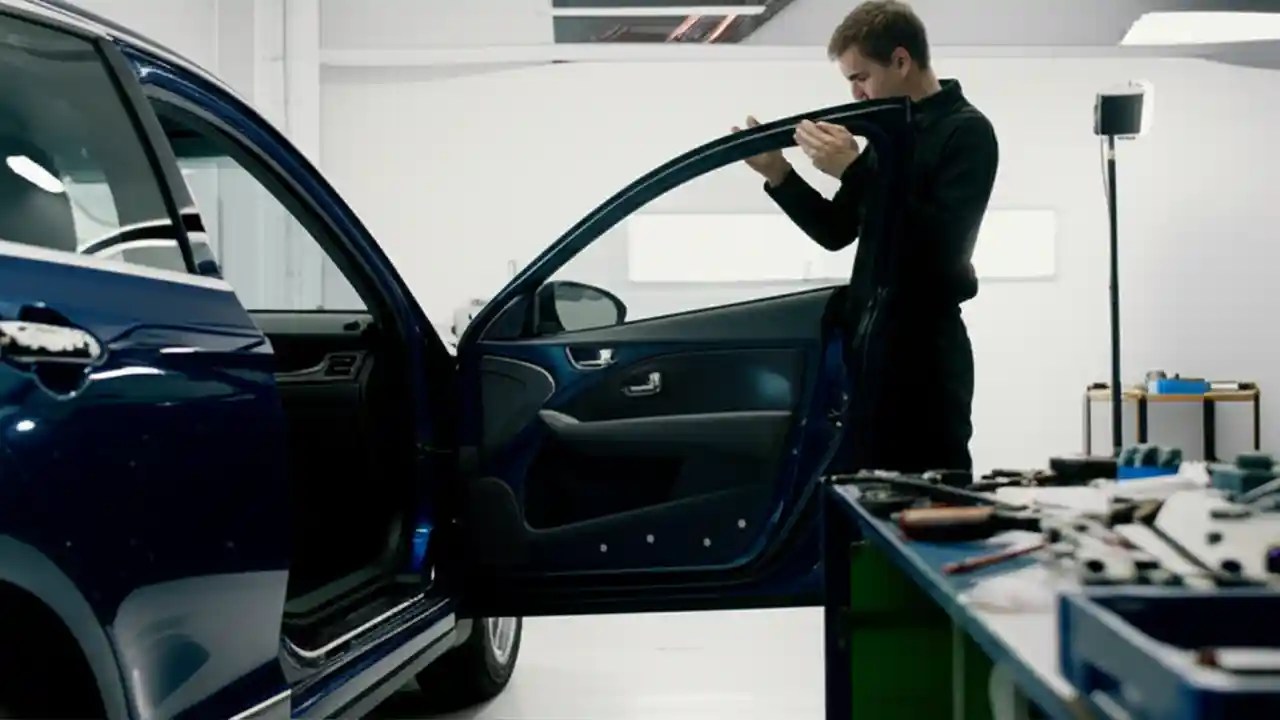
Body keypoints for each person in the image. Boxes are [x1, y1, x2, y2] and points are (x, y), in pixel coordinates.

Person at [734, 0, 998, 473]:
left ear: (901, 60)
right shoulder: (890, 134)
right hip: (871, 346)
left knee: (928, 486)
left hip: (926, 356)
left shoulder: (967, 132)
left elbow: (939, 247)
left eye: (860, 77)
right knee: (861, 488)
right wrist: (780, 174)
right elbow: (837, 232)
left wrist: (856, 172)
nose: (856, 95)